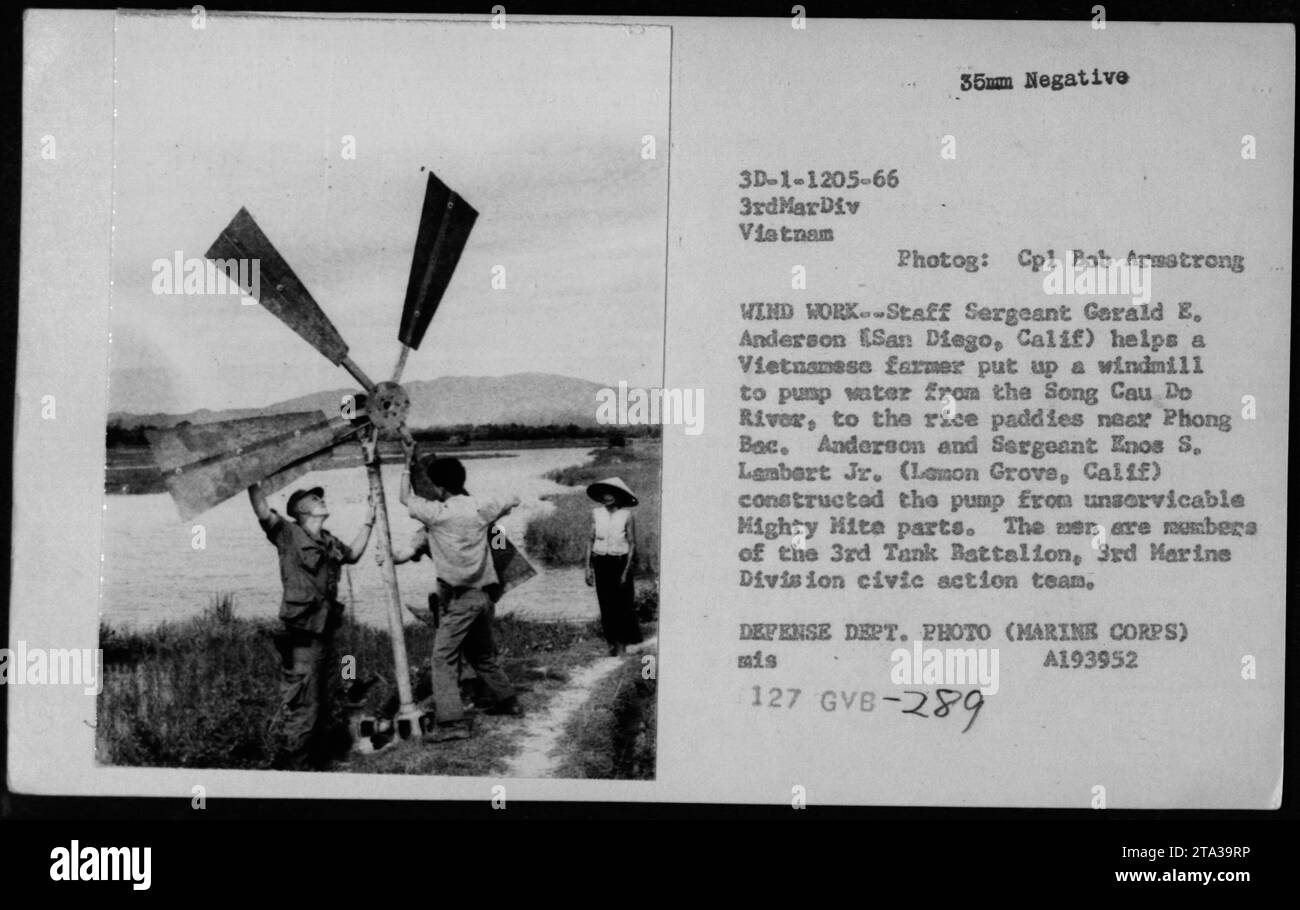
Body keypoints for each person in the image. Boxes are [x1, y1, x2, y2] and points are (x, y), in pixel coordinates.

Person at [249, 468, 376, 770]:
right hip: (303, 636)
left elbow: (354, 554)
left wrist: (370, 520)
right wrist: (250, 477)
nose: (321, 499)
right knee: (305, 705)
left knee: (326, 696)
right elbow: (262, 510)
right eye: (315, 498)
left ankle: (319, 761)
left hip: (326, 633)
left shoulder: (329, 540)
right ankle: (297, 767)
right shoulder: (287, 534)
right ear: (301, 510)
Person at [398, 438, 523, 742]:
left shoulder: (437, 514)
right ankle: (510, 702)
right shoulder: (480, 509)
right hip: (483, 598)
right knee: (481, 655)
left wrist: (405, 465)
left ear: (439, 488)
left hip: (461, 600)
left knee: (443, 658)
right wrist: (500, 512)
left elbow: (404, 498)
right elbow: (514, 498)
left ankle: (453, 723)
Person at [585, 477, 643, 656]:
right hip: (601, 562)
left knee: (623, 604)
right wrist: (588, 568)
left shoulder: (626, 515)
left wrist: (626, 571)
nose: (607, 497)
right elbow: (590, 540)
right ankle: (611, 641)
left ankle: (622, 644)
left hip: (620, 563)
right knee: (606, 603)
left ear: (618, 496)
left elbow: (632, 543)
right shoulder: (596, 513)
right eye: (604, 494)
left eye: (611, 494)